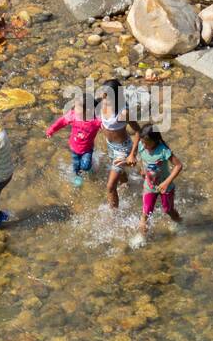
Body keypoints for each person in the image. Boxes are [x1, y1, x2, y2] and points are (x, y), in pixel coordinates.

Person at [126, 125, 182, 236]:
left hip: (165, 186)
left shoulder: (163, 150)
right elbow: (138, 139)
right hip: (149, 186)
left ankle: (180, 222)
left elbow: (179, 166)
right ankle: (142, 237)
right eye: (143, 142)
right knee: (146, 213)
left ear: (155, 140)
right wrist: (132, 154)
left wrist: (166, 182)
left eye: (147, 143)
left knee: (168, 210)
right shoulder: (142, 145)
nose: (144, 145)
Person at [97, 78, 140, 209]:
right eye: (102, 94)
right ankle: (126, 185)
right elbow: (102, 122)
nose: (102, 98)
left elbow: (139, 131)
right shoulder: (103, 103)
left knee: (110, 186)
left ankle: (114, 215)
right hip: (110, 145)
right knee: (120, 175)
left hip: (122, 149)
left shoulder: (123, 112)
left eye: (106, 96)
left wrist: (132, 154)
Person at [46, 92, 103, 187]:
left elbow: (106, 126)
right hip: (74, 147)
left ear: (87, 110)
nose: (74, 109)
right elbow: (61, 121)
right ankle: (78, 176)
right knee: (76, 165)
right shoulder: (73, 115)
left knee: (85, 166)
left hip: (87, 149)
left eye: (77, 107)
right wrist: (51, 130)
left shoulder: (95, 121)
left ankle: (90, 165)